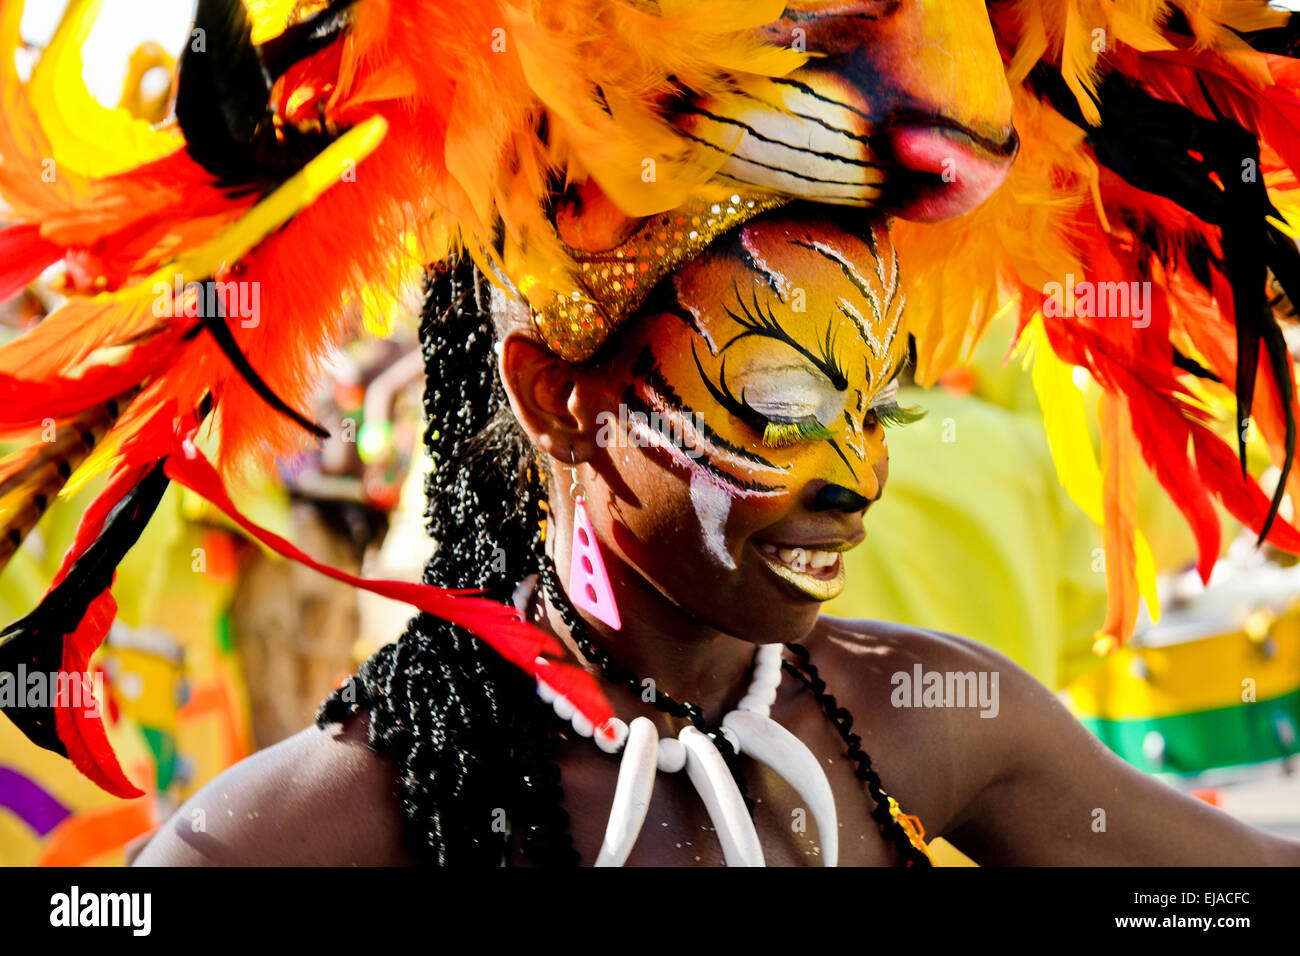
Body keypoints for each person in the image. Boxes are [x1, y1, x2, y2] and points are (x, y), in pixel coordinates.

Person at [3, 0, 1300, 866]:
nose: (858, 479)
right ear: (555, 396)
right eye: (787, 404)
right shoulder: (306, 831)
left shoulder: (931, 720)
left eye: (879, 406)